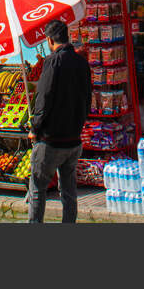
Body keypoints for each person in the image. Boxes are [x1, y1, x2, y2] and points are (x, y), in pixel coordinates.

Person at [25, 20, 92, 223]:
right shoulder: (82, 62)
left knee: (37, 189)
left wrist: (35, 127)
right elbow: (88, 99)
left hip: (50, 140)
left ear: (49, 40)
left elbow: (43, 98)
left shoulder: (52, 62)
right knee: (69, 192)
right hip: (73, 140)